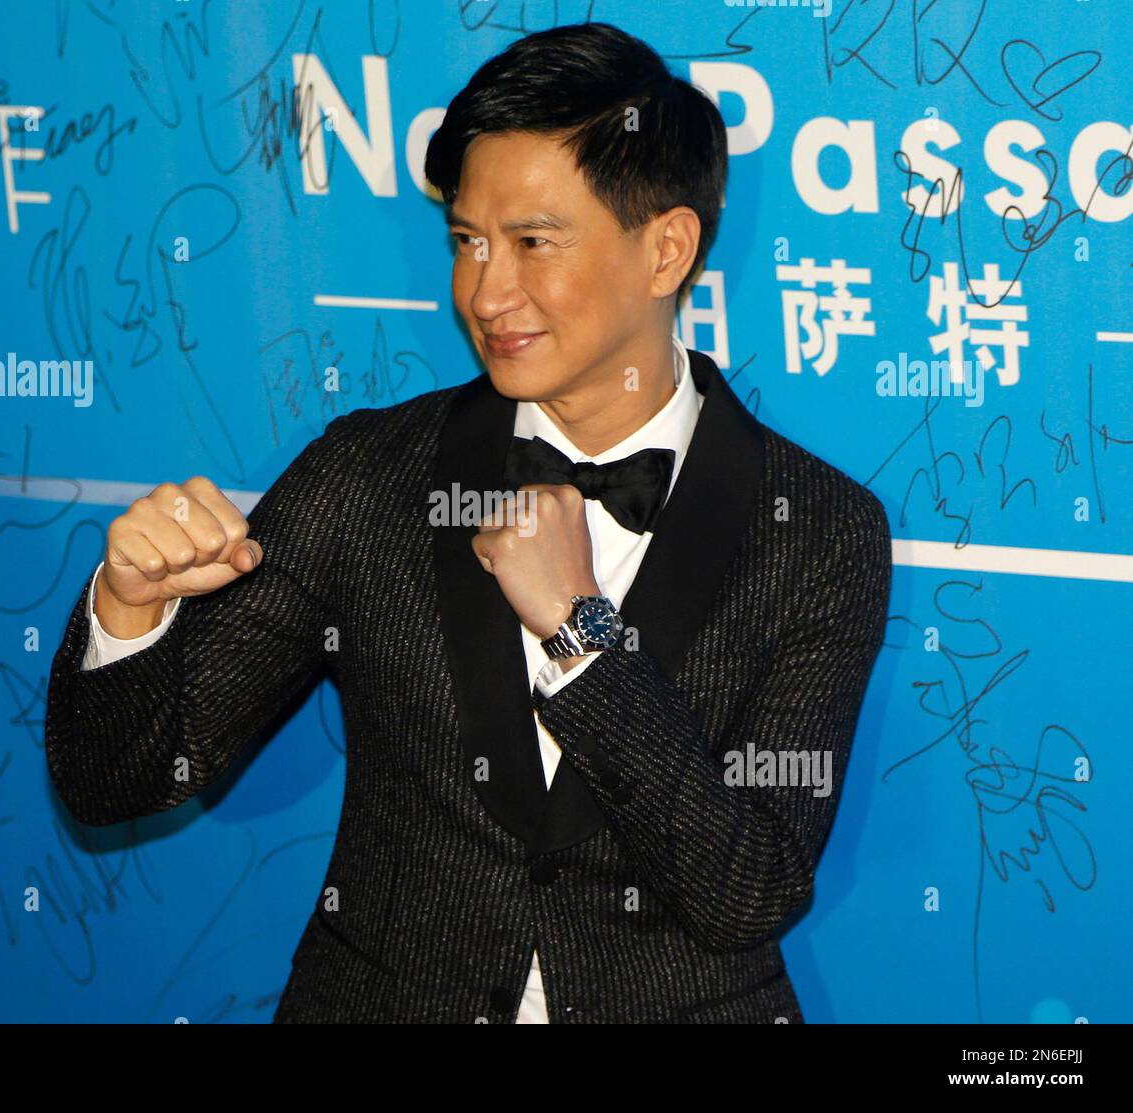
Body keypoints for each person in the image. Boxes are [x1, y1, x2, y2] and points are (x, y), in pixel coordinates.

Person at [44, 20, 892, 1023]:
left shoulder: (816, 527)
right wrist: (128, 612)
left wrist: (581, 637)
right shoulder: (371, 473)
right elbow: (124, 781)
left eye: (533, 242)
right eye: (467, 242)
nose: (486, 291)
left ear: (665, 249)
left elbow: (746, 889)